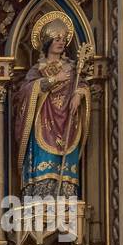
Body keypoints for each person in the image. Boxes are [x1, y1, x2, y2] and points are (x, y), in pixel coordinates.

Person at [14, 12, 88, 198]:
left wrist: (78, 95)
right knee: (44, 157)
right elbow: (25, 91)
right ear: (48, 43)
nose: (61, 42)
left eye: (63, 39)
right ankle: (41, 191)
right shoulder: (37, 69)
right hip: (44, 119)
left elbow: (82, 85)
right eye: (56, 39)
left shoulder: (72, 68)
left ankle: (64, 192)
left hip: (67, 121)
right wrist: (54, 79)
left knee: (65, 158)